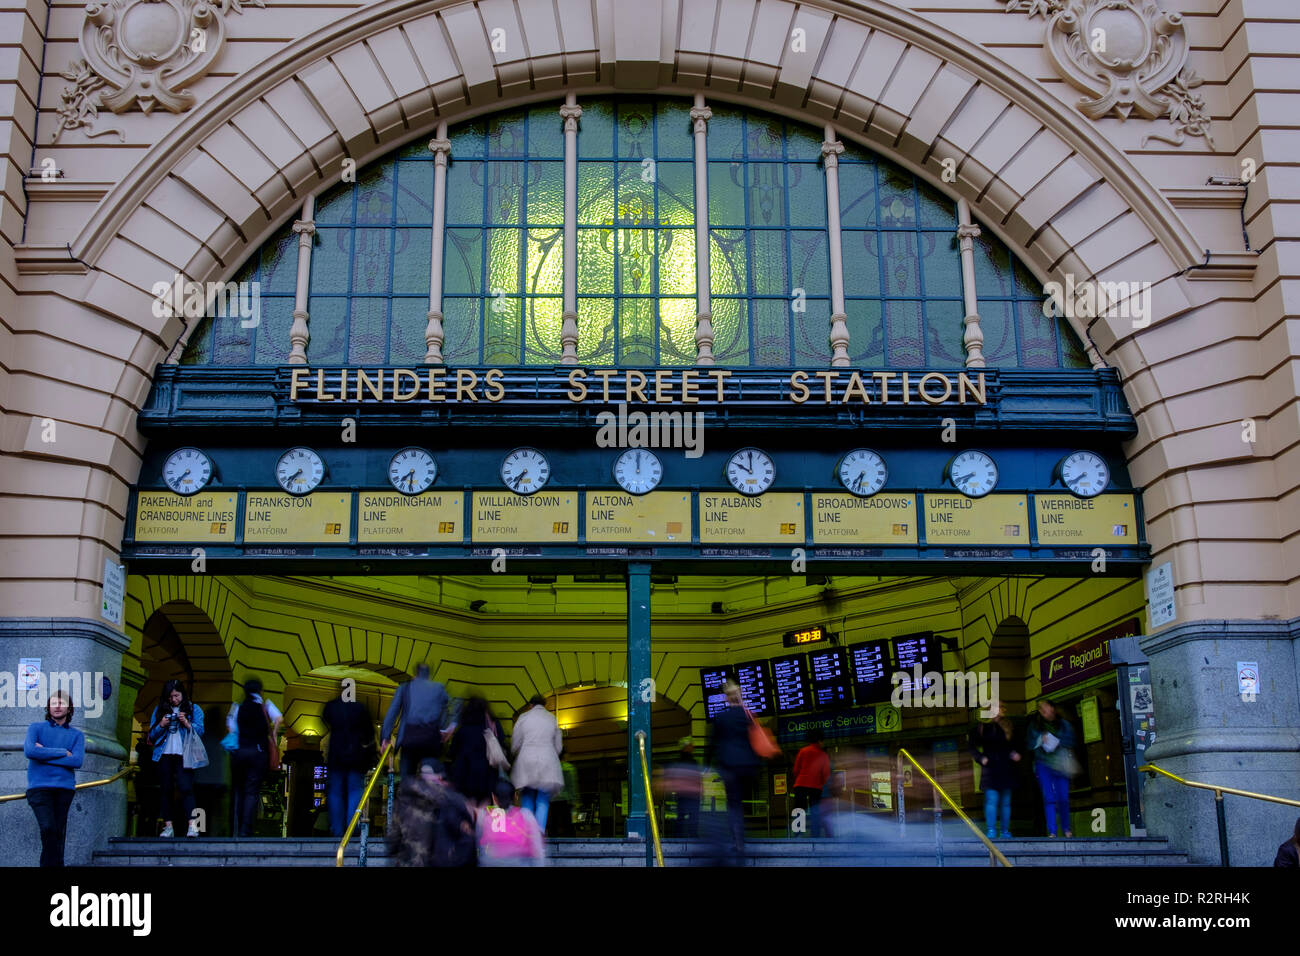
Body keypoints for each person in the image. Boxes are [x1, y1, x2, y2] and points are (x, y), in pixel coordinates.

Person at [24, 690, 85, 867]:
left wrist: (43, 753)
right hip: (39, 788)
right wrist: (61, 752)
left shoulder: (77, 735)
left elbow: (77, 760)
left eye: (62, 703)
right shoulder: (35, 728)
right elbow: (30, 751)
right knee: (48, 828)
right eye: (53, 703)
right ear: (48, 707)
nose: (57, 706)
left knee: (57, 833)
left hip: (64, 789)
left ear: (69, 708)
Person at [385, 757, 476, 867]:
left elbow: (393, 839)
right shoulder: (453, 800)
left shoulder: (404, 799)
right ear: (440, 777)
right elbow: (467, 840)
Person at [147, 678, 205, 837]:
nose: (174, 699)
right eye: (171, 696)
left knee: (186, 788)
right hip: (164, 754)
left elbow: (200, 732)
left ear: (183, 694)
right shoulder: (159, 710)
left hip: (184, 755)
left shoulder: (194, 709)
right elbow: (151, 735)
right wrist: (161, 725)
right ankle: (168, 826)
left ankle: (193, 825)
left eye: (177, 696)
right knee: (166, 790)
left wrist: (186, 722)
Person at [707, 680, 760, 857]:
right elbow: (757, 740)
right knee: (741, 802)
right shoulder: (748, 717)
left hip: (729, 766)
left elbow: (712, 743)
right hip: (748, 766)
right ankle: (743, 833)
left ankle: (738, 842)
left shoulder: (721, 718)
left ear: (726, 699)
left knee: (734, 804)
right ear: (740, 696)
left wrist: (708, 765)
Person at [226, 678, 282, 837]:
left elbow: (230, 727)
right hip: (257, 753)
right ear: (260, 691)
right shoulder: (265, 706)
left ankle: (235, 829)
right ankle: (246, 830)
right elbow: (279, 718)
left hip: (240, 753)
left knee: (239, 791)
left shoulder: (238, 706)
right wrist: (274, 733)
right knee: (251, 792)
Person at [321, 688, 376, 837]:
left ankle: (337, 829)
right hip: (355, 757)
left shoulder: (332, 706)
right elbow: (370, 733)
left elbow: (325, 718)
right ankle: (352, 827)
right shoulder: (360, 708)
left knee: (335, 793)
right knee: (355, 791)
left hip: (336, 756)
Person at [381, 663, 450, 777]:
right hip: (430, 740)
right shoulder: (437, 689)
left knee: (407, 779)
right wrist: (443, 730)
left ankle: (409, 792)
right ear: (428, 675)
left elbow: (392, 713)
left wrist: (386, 737)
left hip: (409, 740)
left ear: (416, 674)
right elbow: (444, 712)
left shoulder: (405, 687)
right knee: (430, 779)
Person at [510, 694, 564, 832]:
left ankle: (527, 833)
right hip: (547, 762)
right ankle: (539, 832)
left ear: (530, 705)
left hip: (527, 760)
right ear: (544, 705)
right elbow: (558, 747)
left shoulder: (523, 718)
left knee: (527, 798)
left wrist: (516, 752)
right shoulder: (552, 719)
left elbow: (515, 744)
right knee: (543, 800)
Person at [969, 700, 1022, 839]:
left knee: (1004, 802)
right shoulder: (982, 727)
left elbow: (1016, 744)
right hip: (992, 768)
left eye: (1000, 707)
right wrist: (980, 758)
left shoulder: (1008, 725)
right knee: (993, 800)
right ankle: (992, 830)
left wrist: (1014, 753)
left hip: (1005, 767)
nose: (1000, 710)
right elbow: (972, 747)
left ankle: (1004, 831)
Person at [1026, 698, 1076, 838]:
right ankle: (1052, 831)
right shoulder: (1035, 726)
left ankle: (1066, 829)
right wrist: (1039, 740)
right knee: (1048, 797)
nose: (1043, 711)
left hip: (1061, 764)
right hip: (1043, 764)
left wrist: (1057, 740)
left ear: (1052, 708)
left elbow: (1071, 740)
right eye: (1041, 709)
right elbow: (1029, 744)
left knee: (1063, 797)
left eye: (1045, 708)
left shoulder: (1063, 724)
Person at [448, 696, 507, 811]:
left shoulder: (463, 729)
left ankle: (470, 826)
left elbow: (452, 752)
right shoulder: (492, 725)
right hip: (488, 776)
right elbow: (502, 744)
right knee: (489, 808)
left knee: (467, 809)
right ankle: (491, 828)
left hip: (465, 776)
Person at [792, 728, 831, 837]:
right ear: (819, 741)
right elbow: (826, 774)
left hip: (800, 785)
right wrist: (820, 782)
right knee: (815, 811)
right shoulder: (823, 755)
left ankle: (798, 833)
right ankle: (815, 834)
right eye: (822, 741)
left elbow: (796, 770)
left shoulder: (803, 751)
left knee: (799, 809)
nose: (823, 743)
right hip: (815, 787)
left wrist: (800, 779)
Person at [662, 738, 702, 838]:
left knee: (681, 816)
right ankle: (692, 835)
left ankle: (678, 836)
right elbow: (697, 777)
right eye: (690, 745)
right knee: (693, 816)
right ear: (686, 747)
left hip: (683, 793)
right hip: (692, 793)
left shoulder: (678, 762)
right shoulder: (692, 762)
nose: (693, 747)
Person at [548, 753, 579, 837]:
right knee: (567, 823)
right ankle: (570, 843)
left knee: (553, 824)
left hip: (553, 799)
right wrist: (574, 800)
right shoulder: (569, 768)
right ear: (564, 755)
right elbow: (571, 786)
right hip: (566, 799)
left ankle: (552, 843)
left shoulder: (551, 769)